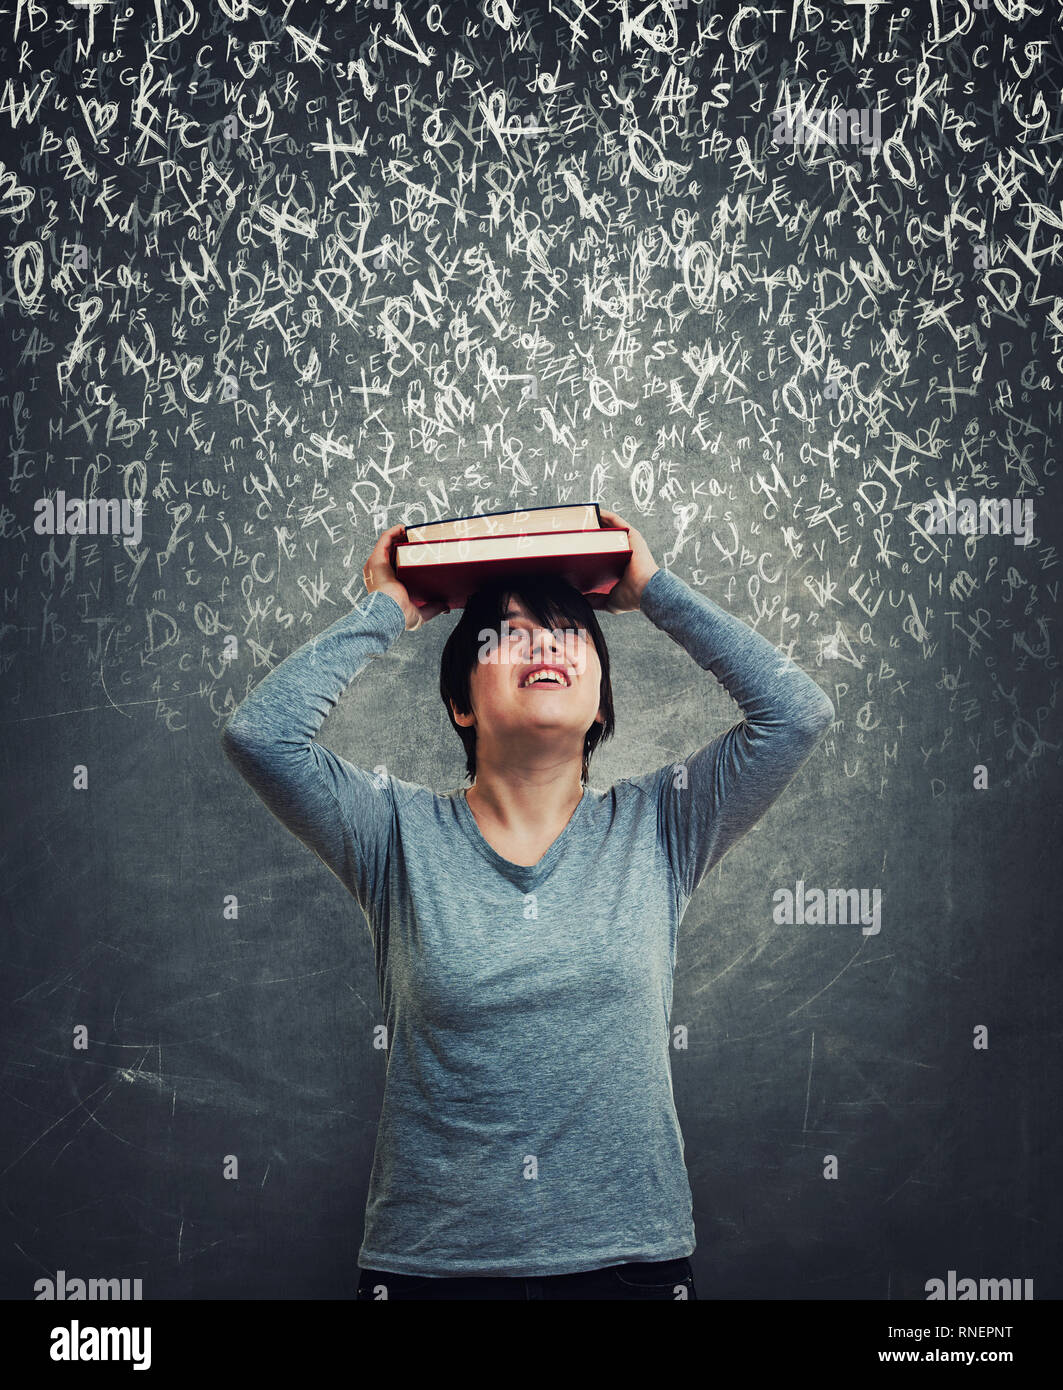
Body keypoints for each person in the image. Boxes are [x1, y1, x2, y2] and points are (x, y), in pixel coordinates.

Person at [221, 508, 835, 1300]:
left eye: (569, 632)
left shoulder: (662, 824)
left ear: (602, 707)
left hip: (629, 1268)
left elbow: (796, 715)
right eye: (506, 633)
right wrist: (386, 608)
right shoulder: (392, 832)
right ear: (460, 706)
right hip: (434, 1273)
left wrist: (653, 592)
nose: (545, 644)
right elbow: (260, 737)